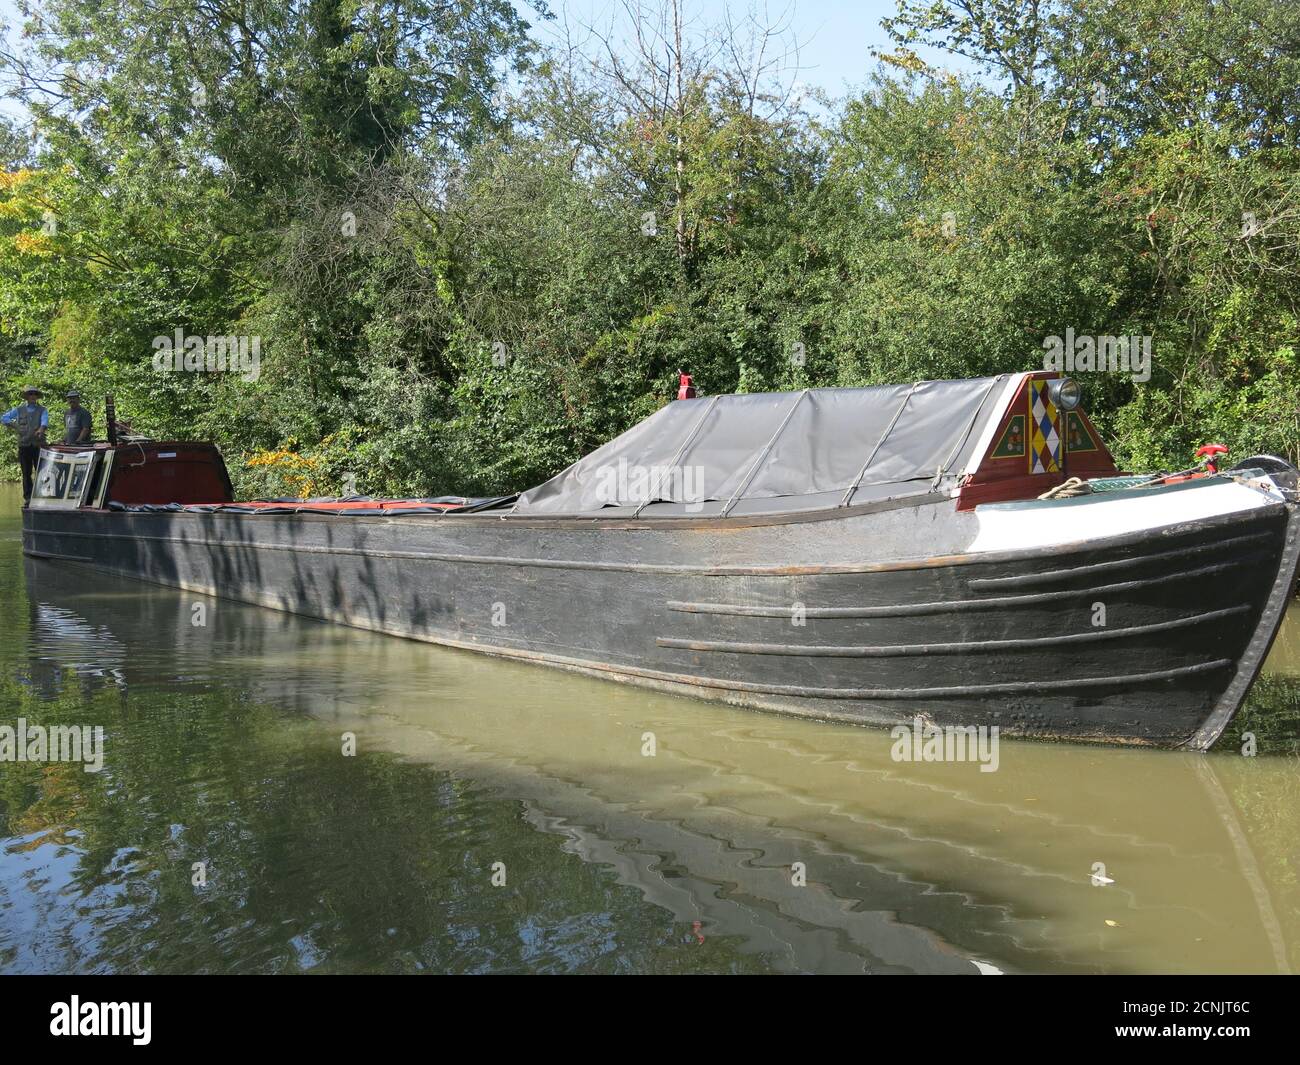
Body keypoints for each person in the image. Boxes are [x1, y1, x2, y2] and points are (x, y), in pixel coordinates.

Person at [1, 386, 49, 504]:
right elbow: (4, 418)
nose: (32, 396)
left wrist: (41, 430)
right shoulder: (18, 410)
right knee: (26, 472)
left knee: (42, 471)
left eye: (34, 394)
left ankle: (43, 495)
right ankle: (28, 497)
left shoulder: (42, 410)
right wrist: (15, 426)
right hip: (24, 446)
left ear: (37, 397)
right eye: (30, 394)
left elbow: (44, 421)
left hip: (38, 445)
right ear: (27, 397)